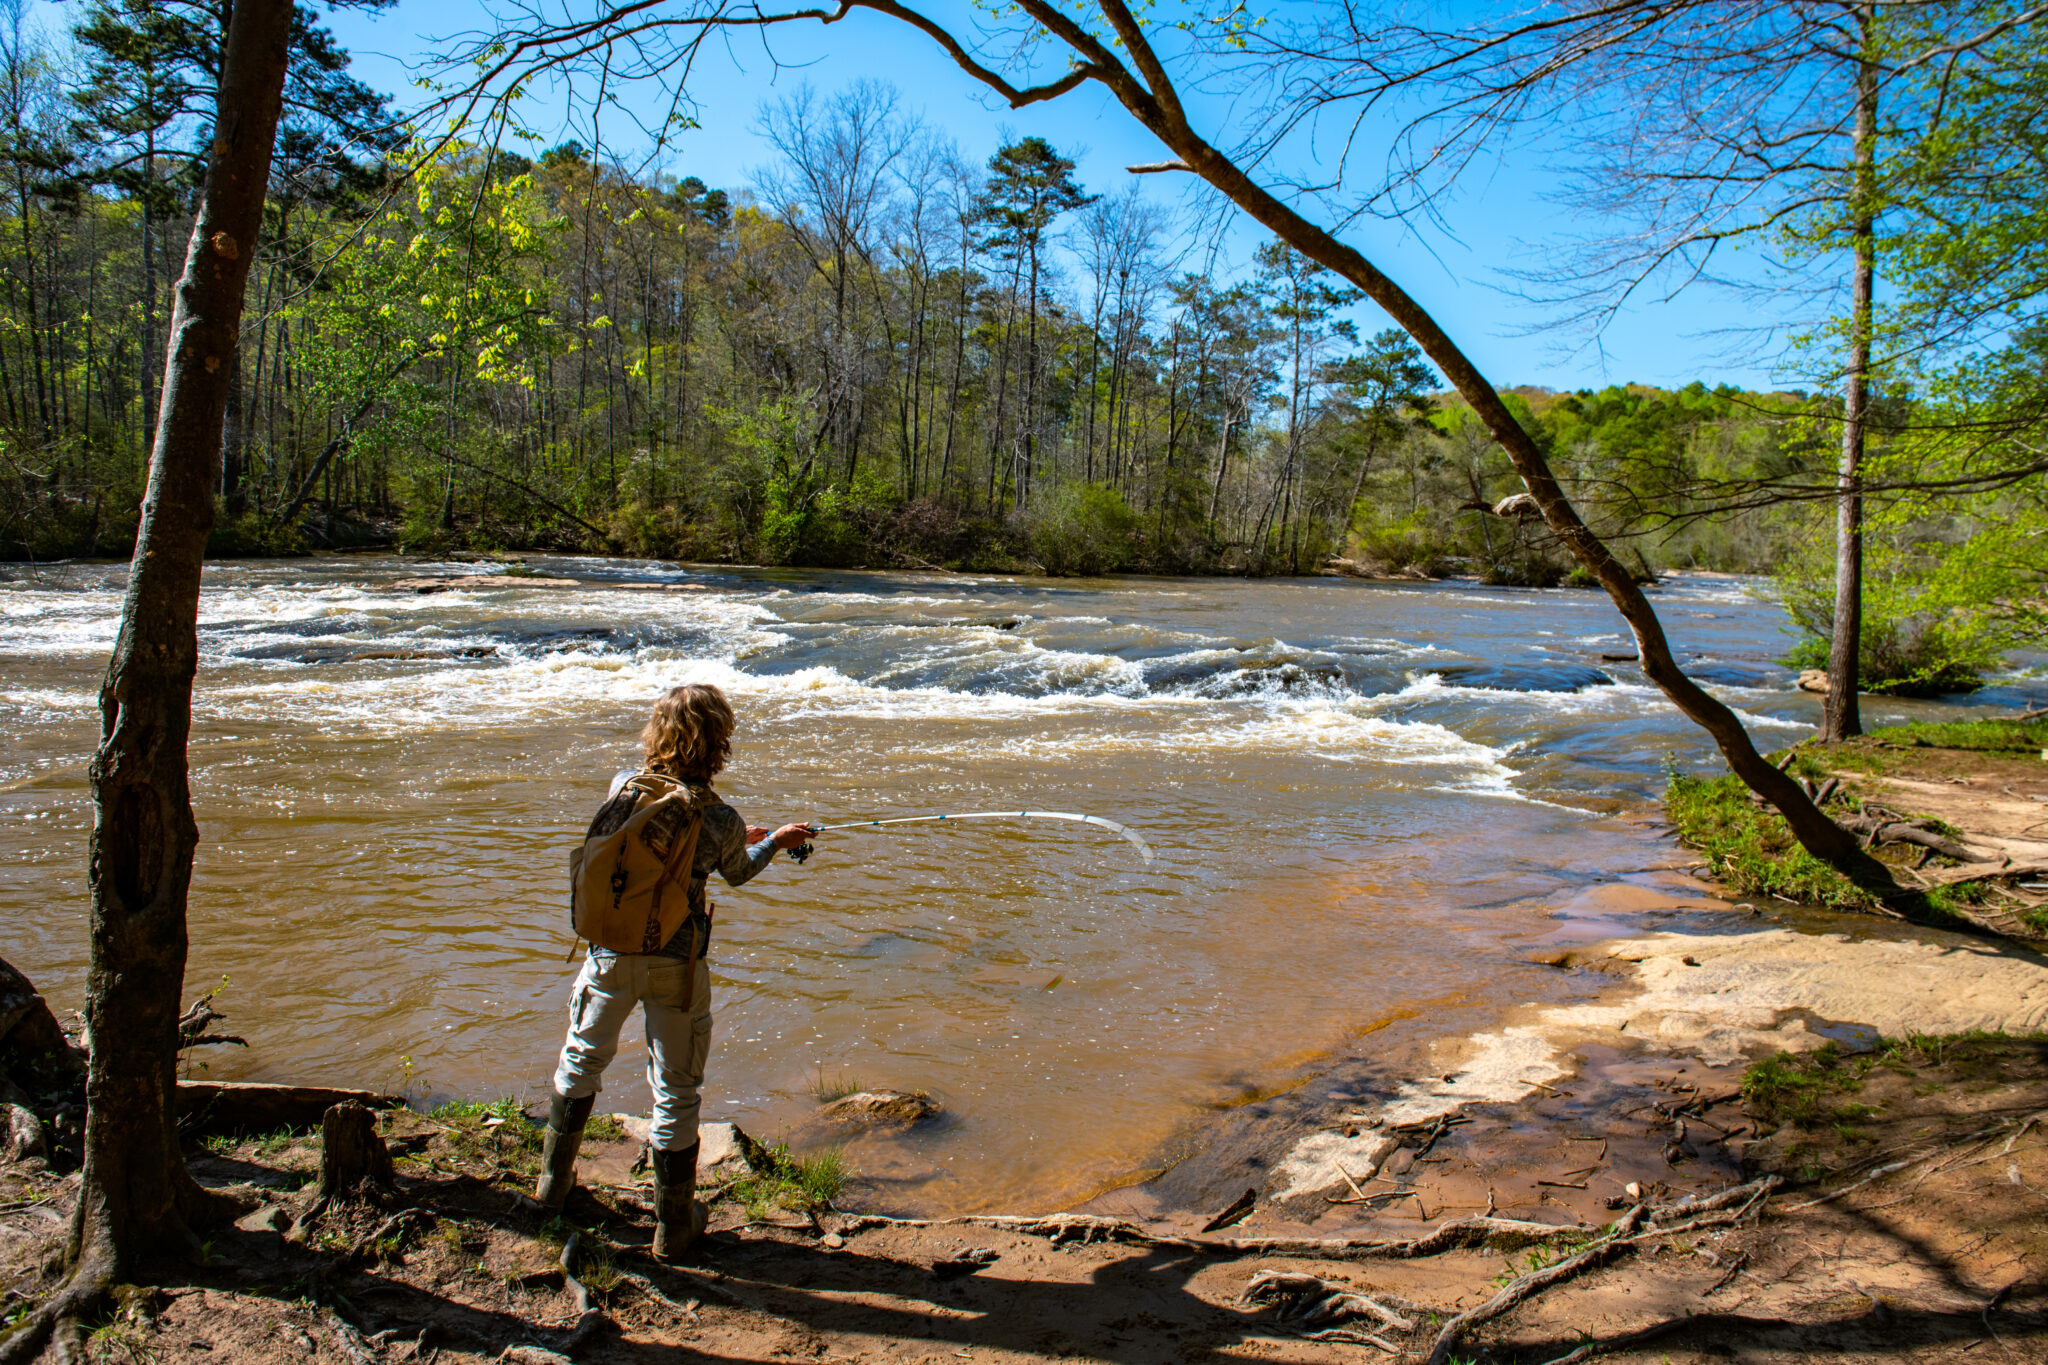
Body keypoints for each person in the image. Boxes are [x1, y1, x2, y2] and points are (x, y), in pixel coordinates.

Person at [531, 683, 812, 1258]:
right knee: (677, 1091)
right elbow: (735, 871)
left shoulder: (624, 786)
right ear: (718, 743)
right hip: (676, 965)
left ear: (657, 734)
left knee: (580, 1061)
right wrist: (776, 842)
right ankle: (672, 1228)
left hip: (607, 952)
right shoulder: (722, 818)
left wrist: (745, 837)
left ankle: (549, 1192)